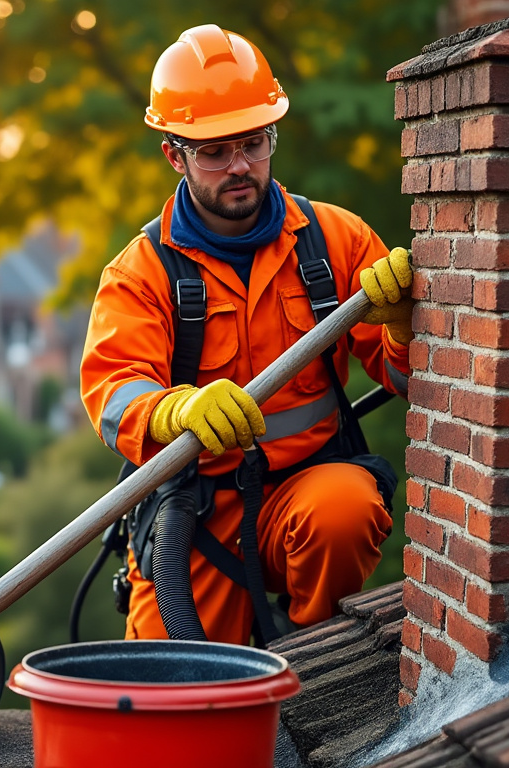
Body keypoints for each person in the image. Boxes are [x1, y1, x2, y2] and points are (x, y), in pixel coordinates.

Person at [80, 23, 414, 646]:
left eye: (253, 143)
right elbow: (112, 393)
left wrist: (402, 327)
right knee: (164, 693)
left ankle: (320, 658)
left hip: (305, 494)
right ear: (174, 155)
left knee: (345, 507)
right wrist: (175, 408)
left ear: (272, 139)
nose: (239, 166)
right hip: (195, 510)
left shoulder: (336, 241)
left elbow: (405, 381)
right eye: (214, 151)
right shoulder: (142, 272)